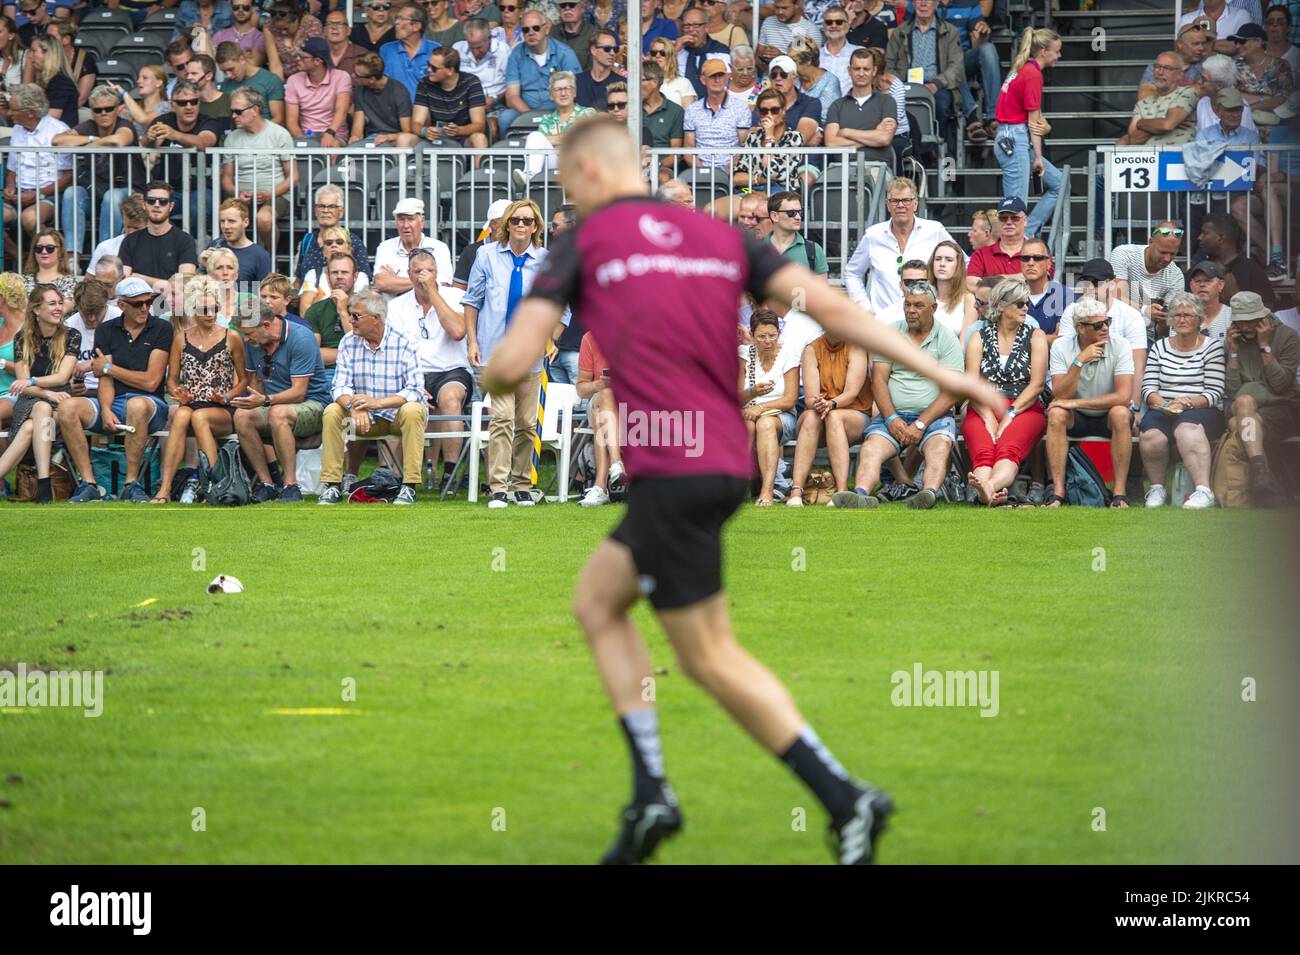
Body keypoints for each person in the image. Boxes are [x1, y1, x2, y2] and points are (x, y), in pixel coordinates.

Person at [482, 116, 1005, 865]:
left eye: (567, 185)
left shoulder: (584, 244)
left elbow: (514, 363)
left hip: (671, 469)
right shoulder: (717, 236)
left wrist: (499, 359)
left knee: (710, 655)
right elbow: (832, 308)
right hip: (723, 458)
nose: (570, 199)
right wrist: (952, 374)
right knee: (599, 600)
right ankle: (650, 790)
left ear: (590, 173)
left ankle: (842, 796)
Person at [832, 280, 963, 510]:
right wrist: (891, 418)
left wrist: (921, 423)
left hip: (932, 418)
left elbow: (952, 392)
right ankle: (860, 494)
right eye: (908, 304)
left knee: (940, 445)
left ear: (933, 309)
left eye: (919, 306)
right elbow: (879, 380)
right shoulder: (891, 332)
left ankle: (928, 493)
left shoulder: (947, 338)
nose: (911, 310)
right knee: (871, 447)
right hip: (894, 415)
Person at [464, 198, 552, 507]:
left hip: (530, 353)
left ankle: (522, 484)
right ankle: (498, 487)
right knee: (501, 418)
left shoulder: (546, 260)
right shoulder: (486, 256)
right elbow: (472, 301)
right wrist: (472, 342)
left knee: (527, 423)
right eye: (516, 220)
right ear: (506, 224)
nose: (521, 226)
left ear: (536, 227)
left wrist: (552, 339)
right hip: (495, 351)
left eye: (528, 221)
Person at [59, 277, 174, 503]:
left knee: (137, 404)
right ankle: (89, 482)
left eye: (148, 302)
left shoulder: (161, 327)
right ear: (121, 305)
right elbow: (104, 379)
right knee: (67, 407)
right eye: (137, 304)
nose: (144, 308)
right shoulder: (106, 330)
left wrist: (111, 368)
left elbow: (151, 382)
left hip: (152, 403)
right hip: (115, 400)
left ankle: (132, 483)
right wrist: (105, 409)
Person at [317, 288, 426, 505]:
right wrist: (353, 407)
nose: (350, 320)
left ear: (376, 319)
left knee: (413, 409)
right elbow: (339, 386)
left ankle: (409, 486)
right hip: (361, 420)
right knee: (332, 412)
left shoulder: (405, 341)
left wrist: (376, 404)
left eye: (356, 316)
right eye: (350, 314)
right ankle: (332, 485)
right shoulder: (348, 342)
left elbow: (415, 389)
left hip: (397, 419)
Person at [151, 275, 249, 503]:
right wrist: (178, 393)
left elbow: (243, 381)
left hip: (221, 408)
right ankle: (165, 489)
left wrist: (227, 396)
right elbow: (172, 380)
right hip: (192, 402)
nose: (211, 314)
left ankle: (217, 484)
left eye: (214, 308)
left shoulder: (231, 337)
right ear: (194, 309)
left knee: (200, 417)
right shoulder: (180, 338)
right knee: (182, 415)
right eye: (205, 309)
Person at [385, 248, 472, 495]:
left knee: (450, 398)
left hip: (451, 369)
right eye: (418, 271)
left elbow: (457, 332)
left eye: (430, 271)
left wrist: (433, 293)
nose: (424, 276)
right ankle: (392, 475)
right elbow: (395, 352)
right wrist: (413, 384)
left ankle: (451, 473)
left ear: (437, 273)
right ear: (409, 276)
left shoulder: (455, 296)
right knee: (400, 399)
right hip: (414, 372)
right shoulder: (398, 306)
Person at [233, 300, 332, 503]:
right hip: (274, 404)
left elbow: (298, 392)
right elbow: (255, 383)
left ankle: (290, 486)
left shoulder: (301, 337)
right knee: (242, 416)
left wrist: (266, 400)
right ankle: (267, 483)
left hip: (313, 404)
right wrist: (253, 401)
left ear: (267, 325)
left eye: (249, 333)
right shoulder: (253, 342)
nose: (246, 338)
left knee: (279, 413)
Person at [1042, 296, 1136, 508]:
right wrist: (1079, 361)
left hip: (1107, 413)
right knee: (1056, 415)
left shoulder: (1121, 345)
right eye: (1098, 325)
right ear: (1080, 328)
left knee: (1121, 413)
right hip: (1077, 417)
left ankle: (1119, 494)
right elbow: (1060, 393)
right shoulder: (1061, 346)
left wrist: (1075, 404)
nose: (1105, 328)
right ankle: (1058, 492)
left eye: (1107, 322)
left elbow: (1123, 396)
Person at [962, 276, 1048, 506]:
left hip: (1024, 406)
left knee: (1008, 449)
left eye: (1027, 303)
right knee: (984, 450)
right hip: (983, 405)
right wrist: (989, 417)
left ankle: (987, 488)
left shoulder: (1035, 336)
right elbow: (971, 384)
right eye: (1020, 303)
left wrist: (1010, 413)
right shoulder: (979, 337)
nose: (1026, 308)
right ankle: (990, 494)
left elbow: (1037, 385)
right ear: (1001, 305)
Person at [1140, 291, 1227, 509]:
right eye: (1177, 315)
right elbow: (1148, 388)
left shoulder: (1212, 346)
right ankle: (1157, 488)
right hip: (1164, 407)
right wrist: (1163, 404)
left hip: (1202, 408)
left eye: (1187, 315)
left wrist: (1186, 403)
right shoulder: (1160, 347)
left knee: (1186, 429)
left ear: (1199, 319)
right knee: (1151, 435)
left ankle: (1203, 491)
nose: (1181, 319)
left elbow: (1215, 392)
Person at [0, 285, 77, 502]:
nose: (58, 308)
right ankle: (44, 484)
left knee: (33, 423)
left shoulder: (71, 335)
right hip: (30, 402)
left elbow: (62, 378)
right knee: (38, 411)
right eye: (52, 303)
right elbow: (21, 383)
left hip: (60, 404)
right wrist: (46, 393)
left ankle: (42, 485)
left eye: (60, 303)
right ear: (36, 309)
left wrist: (34, 382)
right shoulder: (22, 338)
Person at [1224, 289, 1299, 503]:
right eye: (1240, 322)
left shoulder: (1287, 337)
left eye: (1250, 321)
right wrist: (1233, 353)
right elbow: (1232, 389)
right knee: (1244, 403)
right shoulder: (1233, 340)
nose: (1245, 326)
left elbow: (1281, 384)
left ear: (1263, 317)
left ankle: (1264, 479)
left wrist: (1264, 346)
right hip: (1246, 409)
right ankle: (1263, 476)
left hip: (1282, 409)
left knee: (1237, 423)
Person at [845, 175, 953, 312]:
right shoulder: (873, 235)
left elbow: (962, 263)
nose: (900, 205)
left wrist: (944, 303)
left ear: (915, 204)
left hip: (925, 320)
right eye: (895, 201)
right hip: (883, 323)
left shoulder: (934, 231)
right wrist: (866, 309)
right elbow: (852, 273)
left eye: (906, 200)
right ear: (888, 205)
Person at [992, 27, 1062, 239]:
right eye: (1056, 51)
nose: (1059, 56)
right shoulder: (1032, 74)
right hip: (1015, 139)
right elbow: (1033, 122)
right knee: (1015, 207)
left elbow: (1033, 114)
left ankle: (1027, 233)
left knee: (1058, 183)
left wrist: (1045, 126)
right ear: (1043, 51)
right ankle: (1018, 240)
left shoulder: (1021, 68)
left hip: (1010, 137)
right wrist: (1039, 157)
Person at [221, 88, 297, 250]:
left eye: (238, 111)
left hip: (276, 196)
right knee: (227, 218)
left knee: (264, 218)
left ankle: (268, 258)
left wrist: (268, 194)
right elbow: (226, 178)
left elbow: (293, 177)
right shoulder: (232, 138)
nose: (234, 116)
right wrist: (237, 194)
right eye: (232, 111)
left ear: (255, 110)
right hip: (241, 198)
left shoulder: (279, 134)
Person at [737, 308, 799, 506]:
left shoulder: (789, 353)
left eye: (772, 335)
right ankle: (736, 486)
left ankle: (767, 490)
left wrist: (760, 407)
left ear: (778, 333)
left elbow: (790, 399)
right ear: (752, 335)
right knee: (746, 426)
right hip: (748, 412)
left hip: (782, 415)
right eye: (762, 336)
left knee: (764, 424)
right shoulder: (744, 354)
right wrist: (753, 392)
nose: (768, 341)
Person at [2, 85, 72, 239]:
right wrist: (10, 186)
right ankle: (19, 258)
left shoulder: (58, 130)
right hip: (18, 195)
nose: (9, 113)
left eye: (14, 110)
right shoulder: (17, 130)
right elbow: (12, 170)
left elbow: (68, 176)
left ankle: (48, 259)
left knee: (30, 218)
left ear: (30, 113)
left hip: (47, 196)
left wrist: (38, 194)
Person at [498, 8, 581, 133]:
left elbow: (575, 90)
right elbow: (512, 97)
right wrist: (530, 116)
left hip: (557, 109)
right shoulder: (516, 55)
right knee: (505, 118)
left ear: (546, 29)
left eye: (536, 28)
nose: (531, 33)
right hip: (525, 109)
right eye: (526, 30)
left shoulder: (565, 53)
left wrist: (555, 115)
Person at [885, 0, 964, 131]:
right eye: (919, 0)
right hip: (905, 85)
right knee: (892, 106)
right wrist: (898, 83)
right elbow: (889, 63)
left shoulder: (950, 31)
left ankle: (937, 147)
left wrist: (936, 83)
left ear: (936, 4)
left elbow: (956, 67)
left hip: (938, 86)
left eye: (928, 0)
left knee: (941, 106)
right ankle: (906, 145)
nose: (923, 4)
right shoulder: (900, 32)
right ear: (913, 4)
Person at [575, 328, 628, 506]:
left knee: (602, 419)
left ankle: (600, 486)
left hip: (632, 408)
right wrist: (599, 384)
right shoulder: (590, 339)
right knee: (605, 395)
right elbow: (581, 389)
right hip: (601, 403)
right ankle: (616, 463)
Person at [822, 46, 897, 169]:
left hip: (877, 168)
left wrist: (846, 132)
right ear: (849, 70)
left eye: (866, 69)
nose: (861, 73)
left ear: (874, 71)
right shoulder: (837, 105)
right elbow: (831, 143)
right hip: (841, 168)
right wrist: (872, 138)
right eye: (857, 69)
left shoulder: (887, 101)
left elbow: (884, 138)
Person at [118, 182, 199, 294]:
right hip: (138, 306)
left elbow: (183, 288)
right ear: (144, 204)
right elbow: (124, 284)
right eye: (151, 201)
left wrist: (140, 278)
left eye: (163, 201)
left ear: (171, 206)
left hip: (172, 307)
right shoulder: (129, 241)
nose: (157, 205)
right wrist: (165, 285)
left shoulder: (185, 241)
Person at [1108, 222, 1188, 331]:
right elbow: (1115, 298)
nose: (1167, 259)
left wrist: (1165, 319)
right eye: (1163, 252)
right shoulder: (1124, 254)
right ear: (1150, 242)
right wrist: (1144, 310)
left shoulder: (1176, 276)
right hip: (1118, 328)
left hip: (1150, 336)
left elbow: (1169, 327)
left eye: (1173, 254)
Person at [303, 250, 364, 388]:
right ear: (328, 276)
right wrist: (348, 354)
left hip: (362, 370)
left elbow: (361, 347)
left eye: (345, 272)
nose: (339, 277)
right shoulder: (315, 310)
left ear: (355, 276)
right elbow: (313, 355)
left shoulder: (366, 306)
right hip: (329, 371)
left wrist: (343, 311)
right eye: (334, 273)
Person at [372, 198, 455, 299]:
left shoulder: (439, 248)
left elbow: (442, 286)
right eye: (401, 219)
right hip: (393, 312)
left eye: (411, 219)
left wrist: (395, 280)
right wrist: (426, 281)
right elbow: (381, 283)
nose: (406, 225)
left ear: (422, 222)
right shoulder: (385, 247)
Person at [294, 185, 373, 291]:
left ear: (341, 212)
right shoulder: (307, 240)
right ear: (316, 211)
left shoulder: (353, 241)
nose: (326, 210)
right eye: (321, 206)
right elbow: (299, 279)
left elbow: (364, 281)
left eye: (331, 206)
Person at [1195, 211, 1279, 310]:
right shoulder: (1199, 270)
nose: (1199, 238)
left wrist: (1236, 299)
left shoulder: (1252, 270)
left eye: (1205, 233)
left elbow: (1269, 312)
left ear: (1221, 238)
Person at [732, 89, 810, 191]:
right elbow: (737, 178)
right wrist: (760, 179)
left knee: (752, 205)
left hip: (782, 192)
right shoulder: (753, 137)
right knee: (711, 207)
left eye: (774, 110)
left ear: (783, 111)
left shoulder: (793, 138)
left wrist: (769, 135)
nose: (769, 115)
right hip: (750, 190)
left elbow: (774, 174)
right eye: (764, 111)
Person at [1118, 50, 1199, 146]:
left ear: (1179, 75)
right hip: (1148, 158)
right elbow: (1134, 140)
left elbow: (1167, 125)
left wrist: (1141, 124)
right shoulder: (1143, 103)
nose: (1160, 72)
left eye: (1167, 68)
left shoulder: (1187, 92)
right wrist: (1162, 122)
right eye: (1157, 67)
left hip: (1176, 157)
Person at [412, 46, 489, 147]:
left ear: (450, 70)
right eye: (428, 65)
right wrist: (424, 131)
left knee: (479, 138)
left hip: (463, 138)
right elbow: (416, 123)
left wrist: (459, 130)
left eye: (434, 68)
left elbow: (479, 125)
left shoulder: (471, 83)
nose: (429, 70)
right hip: (434, 138)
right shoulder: (425, 83)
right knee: (406, 138)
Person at [682, 57, 750, 170]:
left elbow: (743, 146)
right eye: (712, 76)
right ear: (703, 80)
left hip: (733, 172)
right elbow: (689, 150)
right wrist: (704, 172)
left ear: (727, 78)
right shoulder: (692, 110)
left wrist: (728, 171)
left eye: (721, 75)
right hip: (701, 172)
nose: (717, 80)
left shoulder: (741, 107)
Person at [284, 37, 353, 146]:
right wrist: (304, 141)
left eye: (303, 57)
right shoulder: (293, 80)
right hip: (306, 135)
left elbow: (342, 110)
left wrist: (330, 133)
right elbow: (291, 122)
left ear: (317, 61)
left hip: (335, 134)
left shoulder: (341, 77)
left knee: (333, 147)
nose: (298, 59)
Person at [351, 50, 419, 145]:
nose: (353, 76)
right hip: (371, 139)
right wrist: (355, 137)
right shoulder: (360, 90)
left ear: (371, 79)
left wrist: (388, 137)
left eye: (357, 75)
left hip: (395, 140)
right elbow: (358, 126)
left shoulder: (399, 91)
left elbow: (407, 131)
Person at [200, 198, 273, 286]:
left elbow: (263, 294)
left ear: (245, 222)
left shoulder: (259, 255)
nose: (226, 226)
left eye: (231, 221)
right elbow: (200, 289)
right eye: (222, 221)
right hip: (216, 298)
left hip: (246, 299)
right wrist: (202, 267)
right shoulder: (215, 246)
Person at [454, 17, 511, 130]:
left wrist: (495, 99)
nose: (475, 52)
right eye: (471, 47)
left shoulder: (503, 51)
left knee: (492, 127)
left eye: (479, 47)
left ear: (489, 37)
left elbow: (512, 85)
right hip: (464, 105)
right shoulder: (457, 49)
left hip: (494, 106)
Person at [965, 195, 1029, 288]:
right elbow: (971, 283)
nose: (1008, 222)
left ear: (1025, 220)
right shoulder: (981, 254)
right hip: (992, 302)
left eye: (1014, 218)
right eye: (1003, 218)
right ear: (998, 221)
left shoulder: (1038, 250)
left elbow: (1043, 279)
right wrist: (1021, 278)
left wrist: (991, 281)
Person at [217, 40, 287, 124]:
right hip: (237, 133)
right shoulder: (226, 84)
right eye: (224, 71)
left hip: (265, 132)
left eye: (231, 69)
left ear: (242, 59)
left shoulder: (270, 80)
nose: (228, 75)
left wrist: (259, 134)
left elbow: (278, 118)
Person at [1020, 237, 1070, 343]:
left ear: (1049, 264)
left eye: (1037, 258)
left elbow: (1060, 340)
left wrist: (1020, 341)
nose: (1031, 263)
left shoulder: (1064, 295)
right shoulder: (1011, 295)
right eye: (1025, 258)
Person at [766, 191, 827, 276]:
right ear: (774, 216)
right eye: (792, 213)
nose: (798, 217)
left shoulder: (813, 250)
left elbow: (821, 288)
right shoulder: (756, 248)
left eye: (800, 212)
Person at [928, 239, 978, 339]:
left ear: (958, 265)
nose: (942, 264)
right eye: (937, 259)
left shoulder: (968, 299)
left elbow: (964, 344)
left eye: (949, 260)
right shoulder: (923, 297)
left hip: (956, 353)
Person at [264, 0, 325, 81]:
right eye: (279, 29)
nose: (283, 32)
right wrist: (280, 87)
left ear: (296, 20)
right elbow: (275, 63)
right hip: (284, 78)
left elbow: (314, 63)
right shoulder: (269, 25)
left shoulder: (312, 24)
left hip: (308, 77)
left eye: (286, 28)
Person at [757, 0, 823, 73]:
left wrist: (782, 58)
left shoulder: (810, 30)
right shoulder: (768, 22)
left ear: (797, 4)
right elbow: (757, 57)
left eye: (784, 8)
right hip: (768, 79)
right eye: (777, 7)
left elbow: (812, 67)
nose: (780, 12)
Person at [26, 35, 78, 124]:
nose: (30, 56)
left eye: (34, 51)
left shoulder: (60, 81)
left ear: (48, 53)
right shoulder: (48, 80)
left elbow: (51, 119)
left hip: (57, 134)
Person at [20, 230, 77, 304]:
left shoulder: (70, 282)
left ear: (60, 252)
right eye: (39, 248)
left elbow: (64, 308)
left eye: (50, 248)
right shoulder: (22, 280)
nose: (44, 252)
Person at [819, 6, 861, 95]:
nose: (834, 26)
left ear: (848, 25)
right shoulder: (814, 55)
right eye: (829, 22)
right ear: (823, 26)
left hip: (851, 106)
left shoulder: (859, 52)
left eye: (839, 22)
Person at [1188, 259, 1234, 341]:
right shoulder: (1182, 317)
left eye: (1208, 281)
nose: (1202, 285)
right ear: (1191, 286)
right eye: (1197, 281)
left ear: (1220, 285)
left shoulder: (1232, 317)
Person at [576, 30, 621, 109]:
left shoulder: (622, 84)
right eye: (607, 49)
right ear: (593, 50)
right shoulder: (576, 81)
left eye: (615, 49)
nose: (612, 53)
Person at [214, 1, 267, 68]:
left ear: (253, 9)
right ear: (231, 9)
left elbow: (254, 64)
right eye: (236, 7)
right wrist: (244, 56)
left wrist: (224, 58)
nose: (240, 10)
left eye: (245, 7)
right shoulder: (219, 35)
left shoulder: (260, 37)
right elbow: (213, 64)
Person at [649, 36, 697, 108]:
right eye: (654, 52)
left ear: (671, 56)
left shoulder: (683, 83)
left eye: (663, 52)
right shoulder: (643, 83)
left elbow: (688, 116)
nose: (657, 55)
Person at [183, 53, 233, 122]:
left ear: (208, 76)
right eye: (187, 74)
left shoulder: (229, 100)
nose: (188, 77)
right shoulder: (190, 105)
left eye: (194, 73)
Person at [322, 7, 368, 79]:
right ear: (324, 31)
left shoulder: (362, 55)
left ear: (349, 31)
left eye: (340, 24)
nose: (334, 28)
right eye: (330, 24)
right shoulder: (317, 56)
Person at [555, 0, 598, 70]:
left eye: (572, 4)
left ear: (582, 9)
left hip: (582, 79)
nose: (567, 8)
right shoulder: (551, 33)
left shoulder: (594, 33)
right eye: (563, 5)